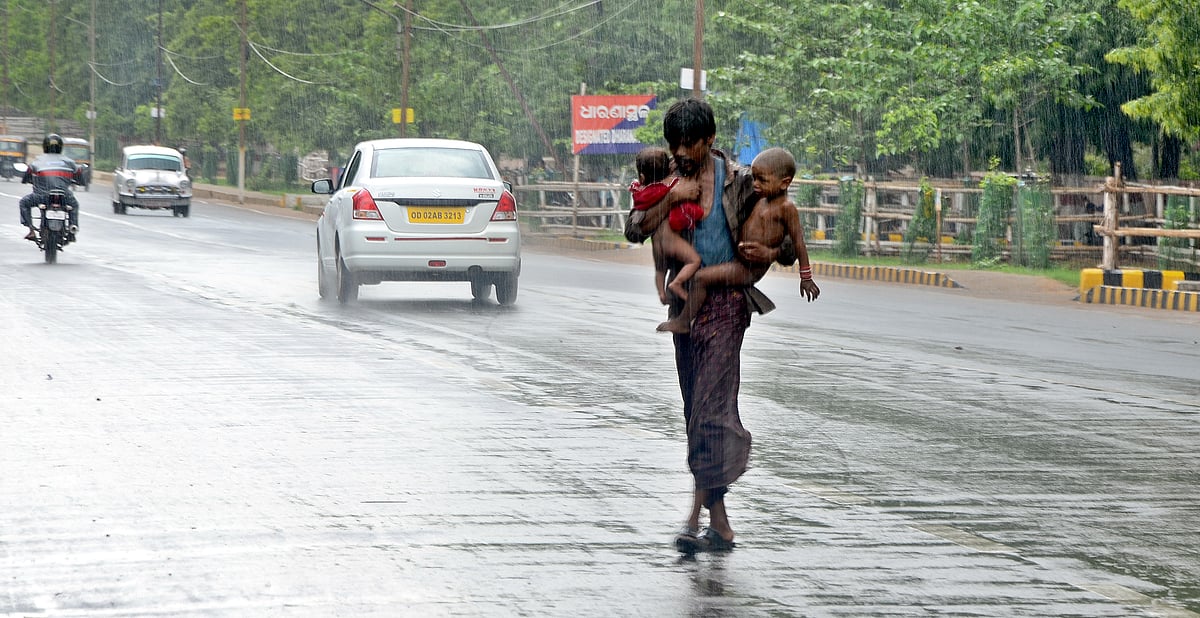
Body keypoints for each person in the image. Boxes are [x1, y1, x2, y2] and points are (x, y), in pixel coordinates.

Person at [624, 98, 814, 554]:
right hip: (684, 302)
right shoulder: (664, 176)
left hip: (728, 305)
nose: (681, 152)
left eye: (690, 143)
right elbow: (634, 228)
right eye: (675, 143)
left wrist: (773, 255)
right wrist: (671, 196)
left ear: (711, 140)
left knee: (711, 408)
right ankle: (720, 521)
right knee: (696, 412)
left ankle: (695, 514)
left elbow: (787, 238)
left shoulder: (746, 181)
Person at [657, 147, 819, 334]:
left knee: (701, 278)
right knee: (699, 273)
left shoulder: (786, 208)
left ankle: (684, 321)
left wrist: (805, 277)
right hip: (737, 259)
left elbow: (798, 242)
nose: (755, 183)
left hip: (748, 268)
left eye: (762, 180)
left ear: (785, 183)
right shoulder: (760, 198)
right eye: (755, 177)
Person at [629, 146, 704, 304]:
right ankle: (676, 284)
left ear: (642, 177)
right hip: (672, 241)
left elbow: (637, 218)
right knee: (694, 260)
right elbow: (632, 232)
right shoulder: (674, 185)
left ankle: (662, 294)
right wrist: (672, 198)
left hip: (658, 243)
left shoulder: (642, 192)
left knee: (660, 270)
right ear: (669, 167)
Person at [19, 133, 82, 241]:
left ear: (45, 146)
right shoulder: (70, 162)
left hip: (41, 196)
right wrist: (79, 181)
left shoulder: (37, 161)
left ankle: (31, 230)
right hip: (64, 196)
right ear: (61, 147)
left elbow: (27, 176)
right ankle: (73, 227)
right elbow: (80, 176)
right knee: (74, 205)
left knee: (24, 202)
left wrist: (28, 180)